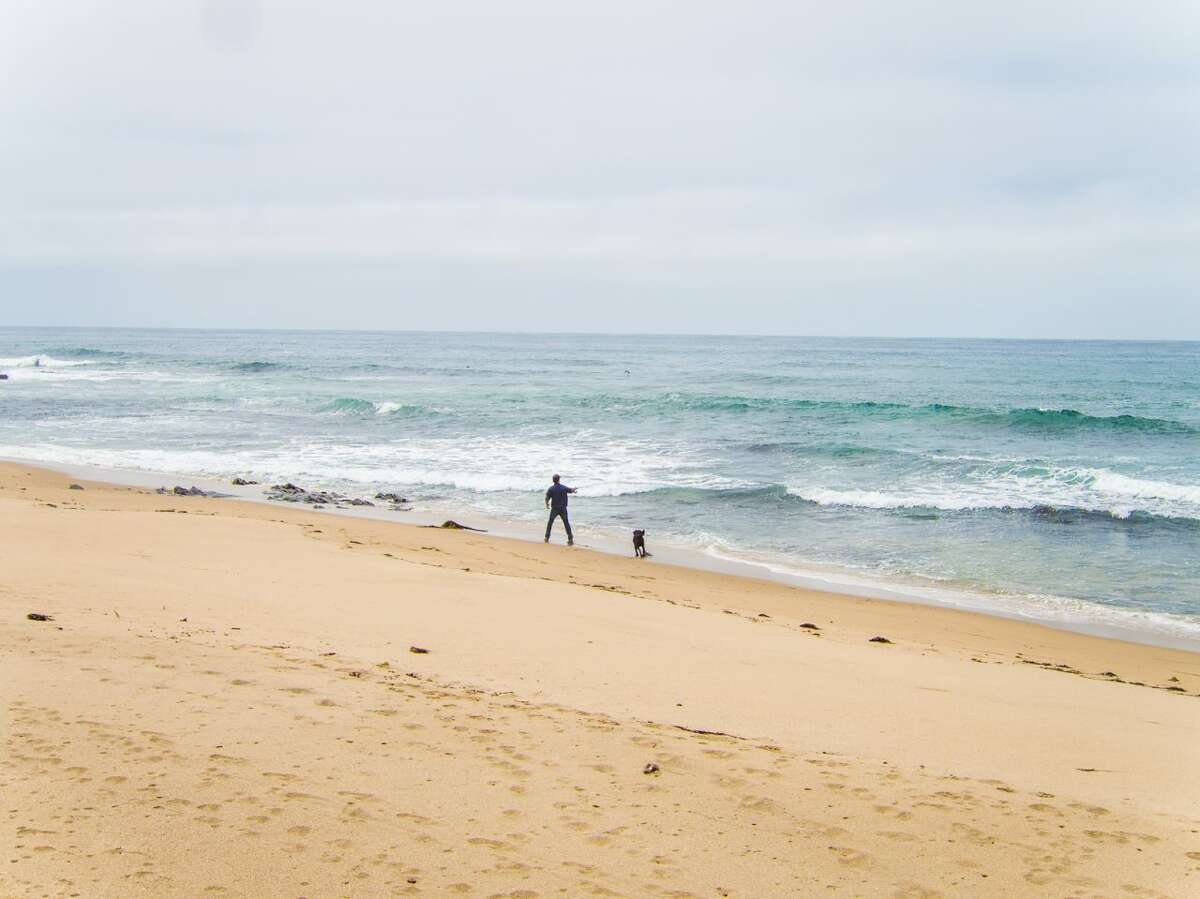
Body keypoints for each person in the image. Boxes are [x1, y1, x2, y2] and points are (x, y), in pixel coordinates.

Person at [544, 474, 577, 545]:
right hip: (563, 509)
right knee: (566, 523)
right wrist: (574, 489)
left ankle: (547, 537)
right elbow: (570, 490)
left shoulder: (551, 488)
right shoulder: (563, 488)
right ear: (559, 480)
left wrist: (547, 504)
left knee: (550, 523)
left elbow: (547, 497)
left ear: (553, 480)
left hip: (554, 509)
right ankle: (570, 539)